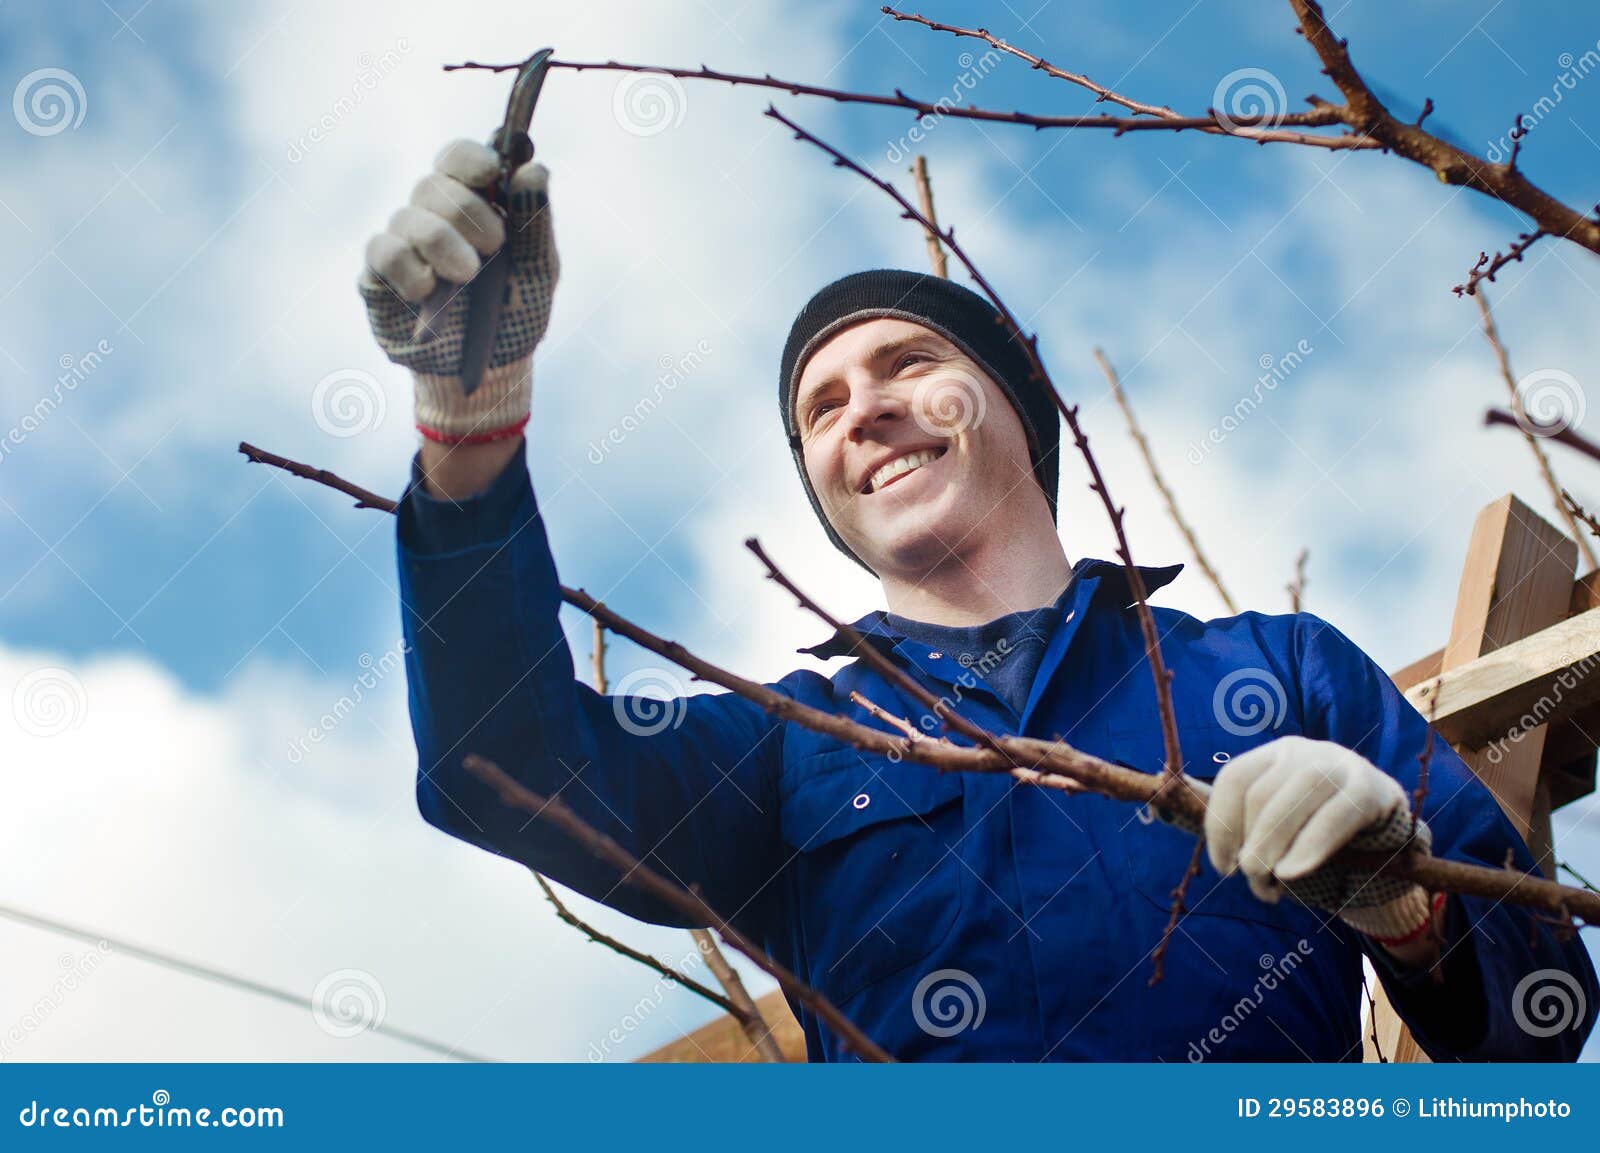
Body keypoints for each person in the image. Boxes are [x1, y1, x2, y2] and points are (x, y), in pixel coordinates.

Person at [359, 140, 1598, 1061]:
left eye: (907, 363)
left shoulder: (1283, 672)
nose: (865, 411)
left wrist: (1409, 909)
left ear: (1018, 409)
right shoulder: (786, 752)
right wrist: (470, 434)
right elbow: (498, 760)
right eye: (822, 409)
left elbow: (1541, 1033)